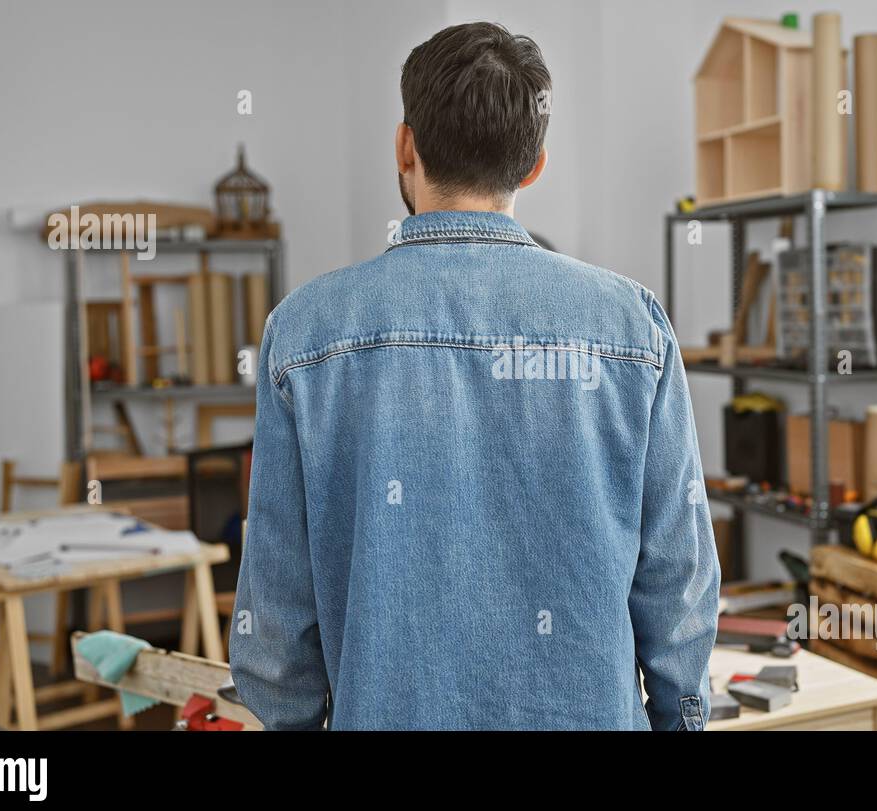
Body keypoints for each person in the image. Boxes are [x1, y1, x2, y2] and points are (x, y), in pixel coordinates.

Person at [230, 21, 719, 730]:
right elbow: (679, 586)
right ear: (534, 165)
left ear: (405, 147)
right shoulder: (631, 327)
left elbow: (273, 625)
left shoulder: (306, 332)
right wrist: (682, 718)